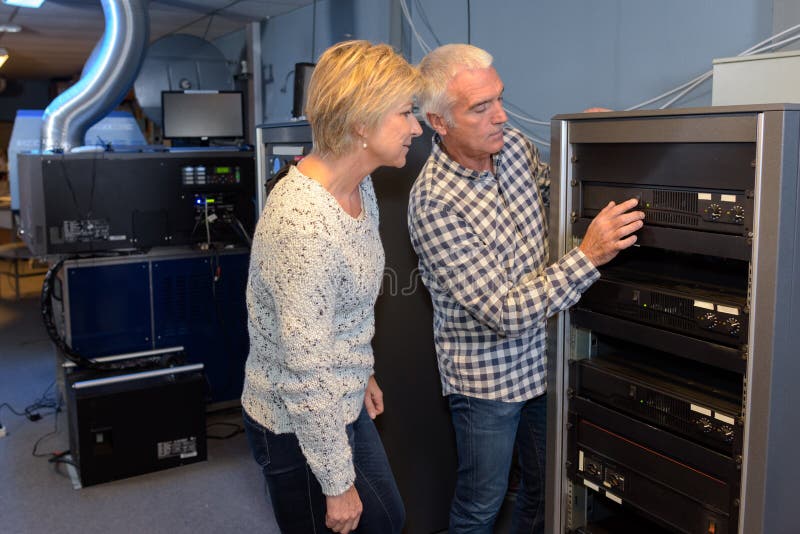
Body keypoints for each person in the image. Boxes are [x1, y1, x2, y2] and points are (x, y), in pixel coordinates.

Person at [407, 43, 644, 534]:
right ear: (439, 121)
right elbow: (504, 312)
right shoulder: (434, 204)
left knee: (543, 489)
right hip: (485, 384)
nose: (501, 116)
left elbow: (546, 191)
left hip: (542, 363)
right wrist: (588, 256)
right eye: (480, 108)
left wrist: (589, 141)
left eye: (499, 99)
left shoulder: (511, 146)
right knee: (480, 507)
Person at [242, 40, 423, 534]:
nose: (416, 127)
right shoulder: (303, 224)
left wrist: (360, 371)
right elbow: (304, 367)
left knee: (388, 519)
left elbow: (342, 309)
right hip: (294, 417)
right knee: (372, 522)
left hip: (337, 394)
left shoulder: (359, 187)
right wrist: (337, 484)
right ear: (361, 123)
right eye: (406, 113)